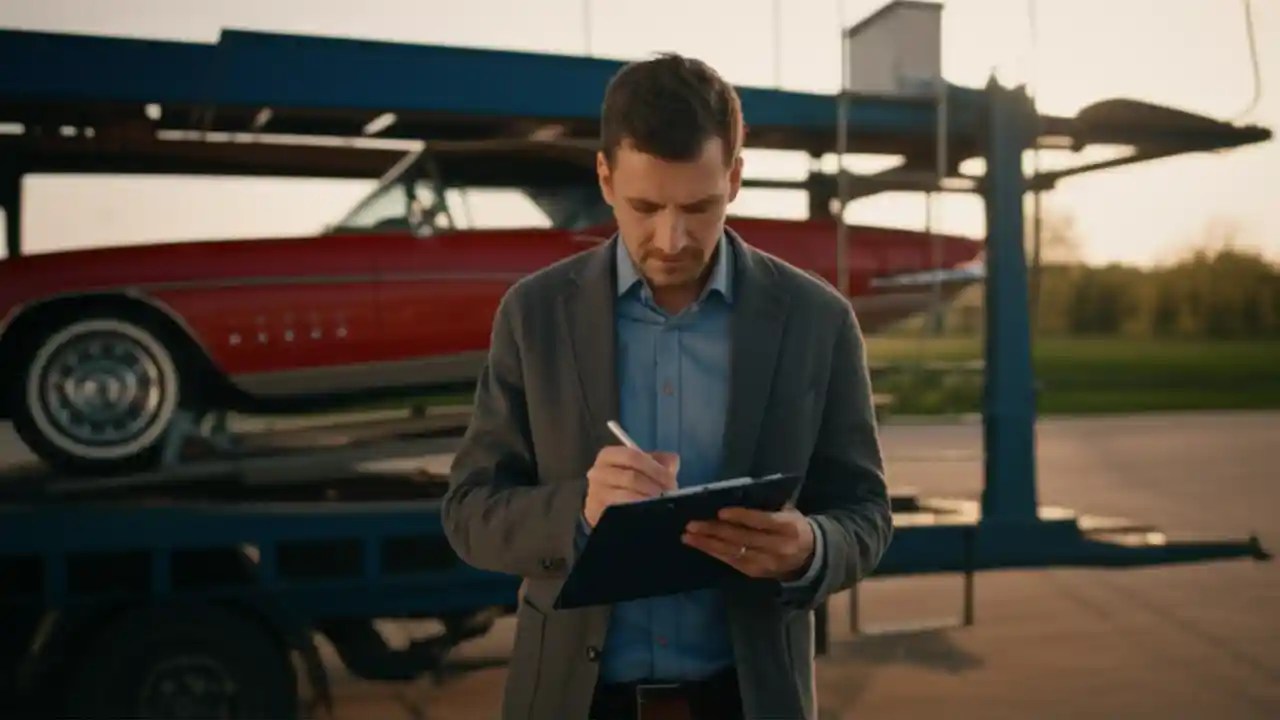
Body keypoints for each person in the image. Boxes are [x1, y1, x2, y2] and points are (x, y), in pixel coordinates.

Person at [442, 52, 893, 720]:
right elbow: (469, 513)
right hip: (572, 700)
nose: (671, 238)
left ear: (735, 179)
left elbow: (865, 513)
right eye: (645, 206)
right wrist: (582, 512)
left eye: (699, 206)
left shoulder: (817, 320)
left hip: (751, 698)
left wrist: (811, 548)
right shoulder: (534, 314)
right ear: (604, 177)